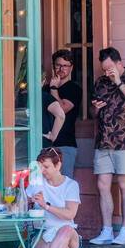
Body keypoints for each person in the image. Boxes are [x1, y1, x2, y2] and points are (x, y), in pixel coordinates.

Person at [89, 46, 125, 246]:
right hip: (104, 140)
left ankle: (124, 231)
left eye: (110, 68)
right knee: (102, 185)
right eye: (104, 69)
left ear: (119, 63)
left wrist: (119, 82)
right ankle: (106, 230)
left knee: (124, 185)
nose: (107, 73)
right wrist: (95, 110)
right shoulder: (100, 83)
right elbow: (94, 112)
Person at [26, 147, 86, 248]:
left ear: (58, 165)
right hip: (43, 235)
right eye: (40, 167)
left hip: (69, 234)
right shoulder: (37, 183)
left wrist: (46, 206)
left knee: (65, 229)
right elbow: (21, 204)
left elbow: (70, 214)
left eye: (46, 167)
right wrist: (28, 199)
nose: (43, 171)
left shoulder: (71, 185)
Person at [42, 49, 81, 177]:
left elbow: (61, 110)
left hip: (65, 145)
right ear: (53, 66)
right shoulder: (45, 88)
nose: (61, 69)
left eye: (65, 66)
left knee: (63, 183)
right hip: (45, 144)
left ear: (71, 68)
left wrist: (54, 88)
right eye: (58, 65)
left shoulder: (74, 88)